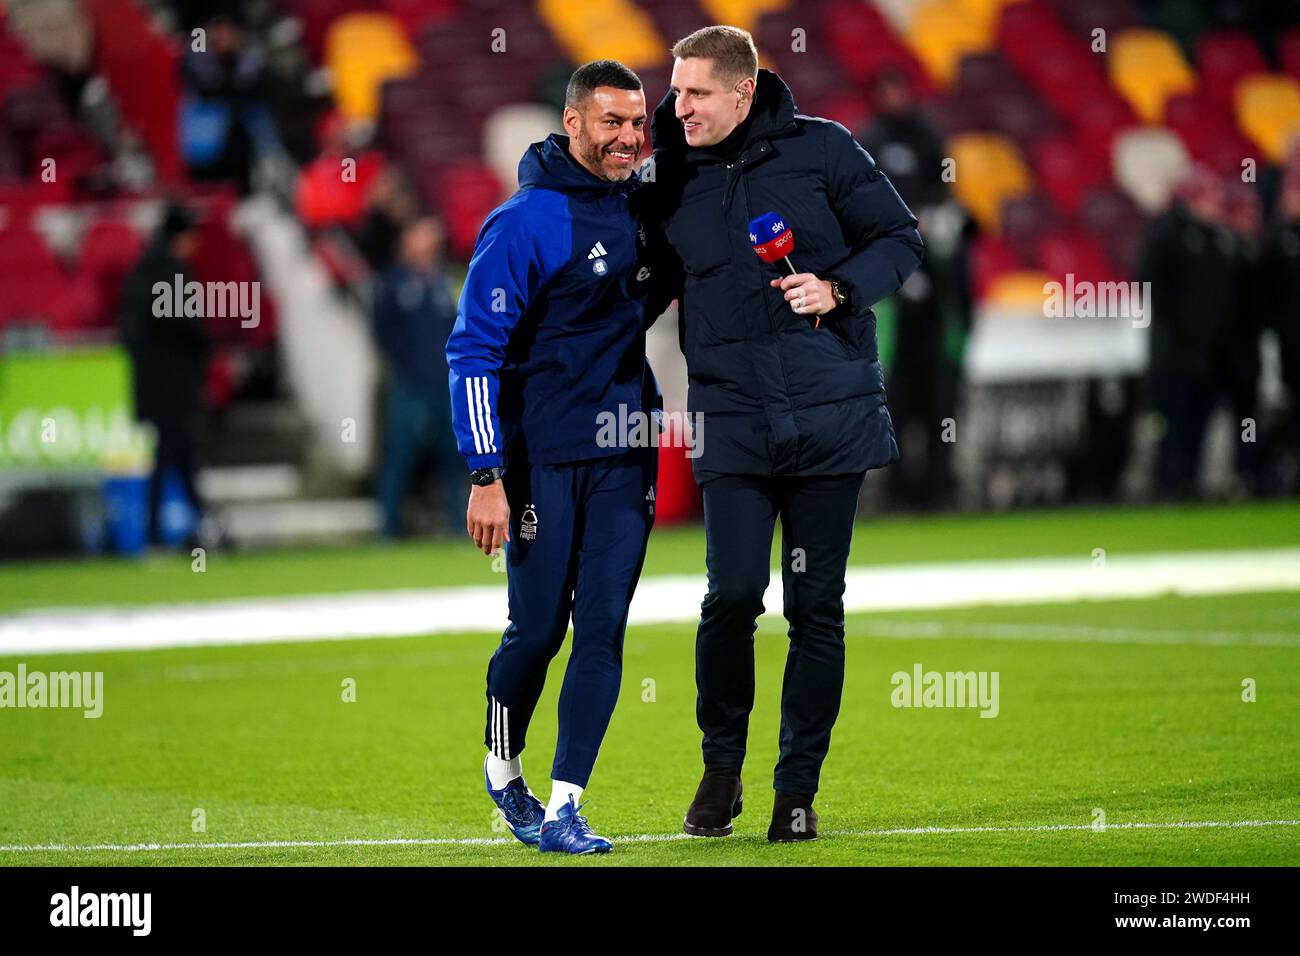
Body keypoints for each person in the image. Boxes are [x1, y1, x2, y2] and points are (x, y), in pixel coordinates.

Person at [639, 26, 923, 842]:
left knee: (815, 608)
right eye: (675, 89)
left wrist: (838, 289)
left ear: (741, 91)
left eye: (694, 93)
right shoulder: (669, 171)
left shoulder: (824, 151)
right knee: (730, 596)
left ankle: (795, 788)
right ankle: (721, 769)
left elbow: (901, 240)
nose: (678, 105)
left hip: (830, 414)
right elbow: (649, 284)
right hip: (731, 418)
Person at [445, 60, 661, 854]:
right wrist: (484, 474)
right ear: (572, 123)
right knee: (538, 631)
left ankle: (567, 806)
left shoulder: (644, 205)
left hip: (626, 449)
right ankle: (504, 770)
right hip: (541, 458)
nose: (628, 139)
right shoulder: (524, 222)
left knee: (602, 626)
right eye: (612, 123)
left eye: (638, 124)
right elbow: (472, 352)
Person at [118, 201, 212, 548]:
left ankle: (200, 523)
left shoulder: (140, 273)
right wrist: (206, 349)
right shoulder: (173, 273)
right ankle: (159, 533)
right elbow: (187, 328)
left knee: (178, 454)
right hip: (175, 384)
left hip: (151, 383)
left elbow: (128, 333)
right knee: (171, 454)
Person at [372, 216, 459, 537]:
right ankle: (387, 529)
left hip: (448, 387)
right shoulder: (393, 284)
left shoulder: (446, 281)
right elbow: (382, 333)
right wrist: (405, 367)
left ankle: (460, 528)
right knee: (400, 459)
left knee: (456, 459)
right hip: (410, 388)